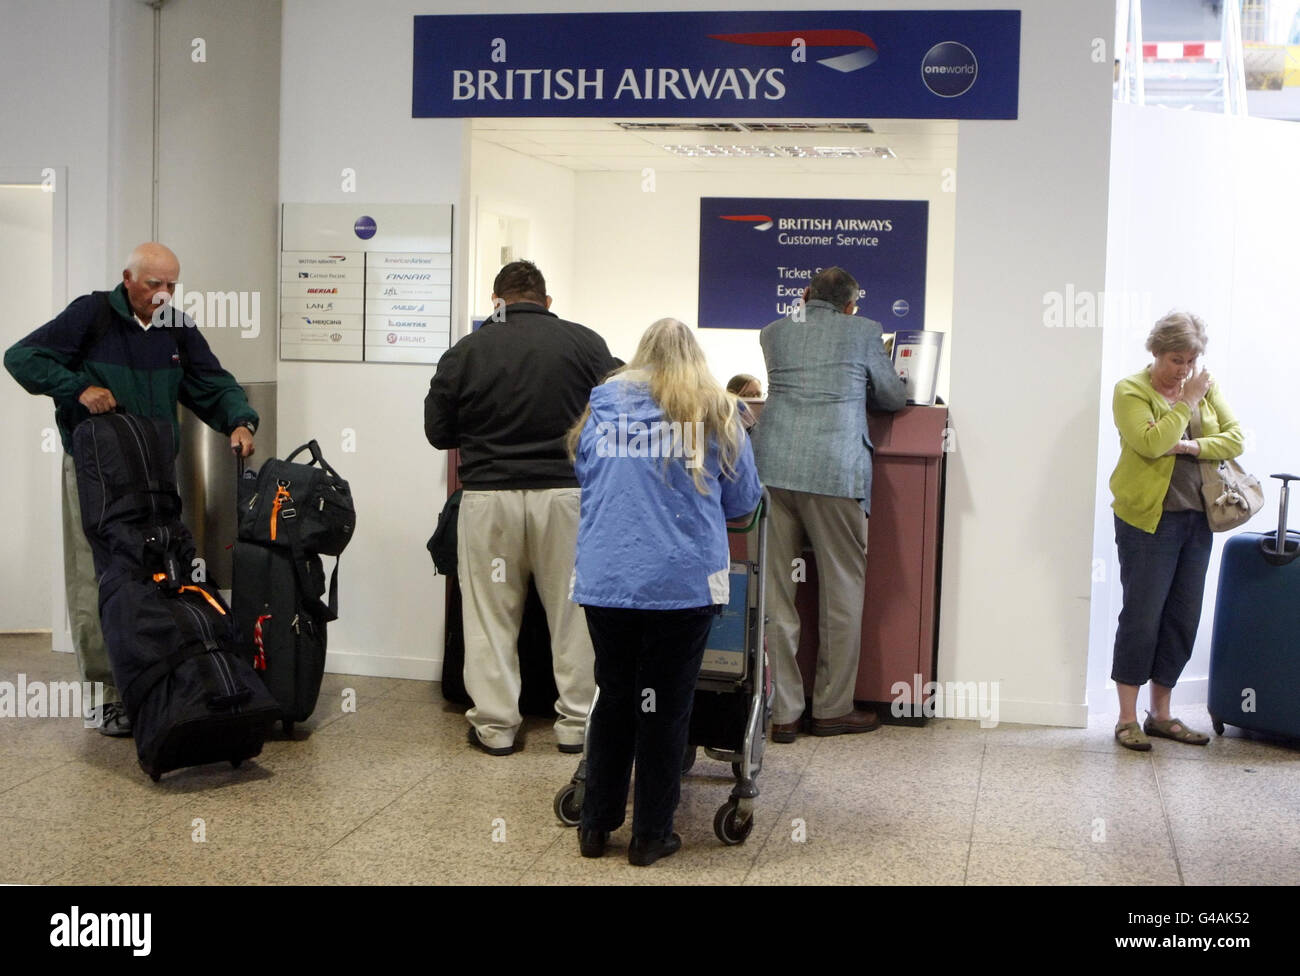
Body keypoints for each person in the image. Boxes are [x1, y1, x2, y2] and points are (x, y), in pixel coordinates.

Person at [4, 242, 258, 736]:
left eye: (171, 285)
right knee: (96, 579)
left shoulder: (176, 328)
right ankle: (104, 697)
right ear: (127, 279)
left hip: (155, 473)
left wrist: (240, 422)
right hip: (97, 472)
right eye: (152, 284)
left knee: (155, 577)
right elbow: (21, 357)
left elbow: (213, 383)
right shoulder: (91, 315)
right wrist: (77, 388)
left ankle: (152, 685)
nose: (162, 294)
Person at [568, 318, 761, 866]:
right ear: (694, 358)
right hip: (680, 584)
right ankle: (652, 835)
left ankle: (596, 825)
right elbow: (741, 502)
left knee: (614, 700)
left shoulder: (600, 410)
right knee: (665, 709)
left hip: (607, 580)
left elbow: (589, 478)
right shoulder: (718, 413)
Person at [424, 260, 617, 756]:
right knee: (574, 614)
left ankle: (496, 726)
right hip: (566, 499)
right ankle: (577, 725)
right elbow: (618, 418)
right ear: (546, 301)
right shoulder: (585, 343)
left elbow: (438, 433)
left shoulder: (464, 351)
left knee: (490, 616)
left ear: (497, 302)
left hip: (489, 498)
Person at [750, 266, 907, 742]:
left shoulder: (774, 332)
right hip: (834, 471)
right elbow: (894, 397)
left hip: (772, 468)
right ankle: (832, 709)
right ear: (850, 306)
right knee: (841, 591)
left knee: (775, 595)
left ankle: (783, 713)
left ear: (804, 294)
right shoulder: (863, 331)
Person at [1109, 311, 1242, 751]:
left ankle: (1161, 714)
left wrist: (1188, 444)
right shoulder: (1131, 390)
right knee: (1142, 618)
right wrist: (1185, 402)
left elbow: (1236, 438)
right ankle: (1126, 718)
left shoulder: (1206, 387)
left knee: (1182, 618)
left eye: (1190, 359)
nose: (1183, 368)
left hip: (1197, 518)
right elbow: (1148, 442)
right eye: (1174, 359)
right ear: (1155, 351)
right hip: (1148, 520)